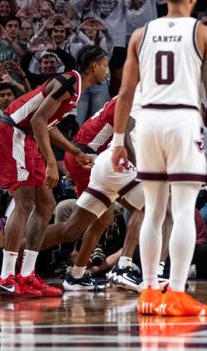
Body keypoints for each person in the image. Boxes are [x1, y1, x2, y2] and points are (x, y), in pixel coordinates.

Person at [111, 0, 207, 317]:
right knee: (181, 211)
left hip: (148, 121)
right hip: (182, 118)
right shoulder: (203, 32)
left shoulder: (140, 34)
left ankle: (149, 290)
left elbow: (125, 92)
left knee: (153, 209)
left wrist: (118, 140)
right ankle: (176, 292)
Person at [0, 45, 110, 298]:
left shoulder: (75, 88)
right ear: (94, 66)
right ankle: (6, 276)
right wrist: (52, 162)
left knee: (47, 204)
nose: (107, 70)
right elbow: (38, 120)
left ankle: (27, 274)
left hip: (28, 137)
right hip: (14, 131)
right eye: (105, 65)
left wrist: (74, 151)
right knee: (25, 203)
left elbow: (47, 125)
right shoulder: (69, 81)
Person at [36, 95, 145, 291]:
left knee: (77, 228)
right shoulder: (132, 98)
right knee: (143, 207)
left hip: (89, 155)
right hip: (87, 156)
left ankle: (76, 275)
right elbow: (123, 137)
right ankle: (123, 267)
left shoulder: (129, 97)